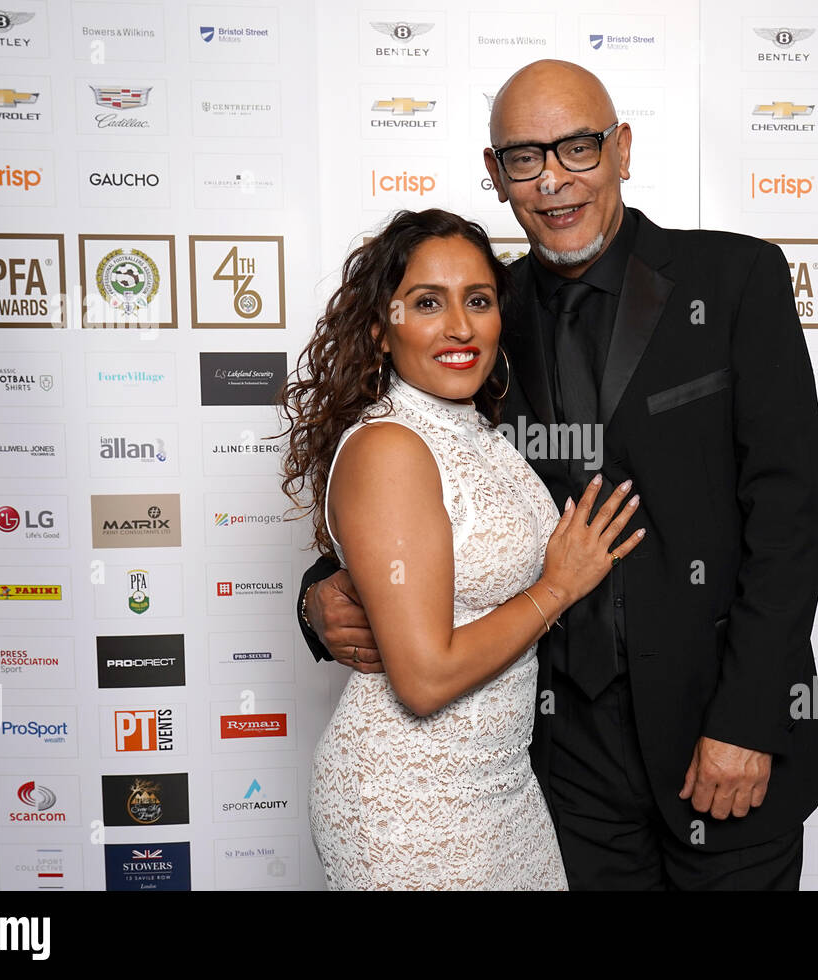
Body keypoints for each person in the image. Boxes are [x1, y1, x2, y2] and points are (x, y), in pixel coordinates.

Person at [297, 60, 818, 890]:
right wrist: (322, 590)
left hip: (718, 739)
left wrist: (750, 719)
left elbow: (790, 521)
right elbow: (411, 466)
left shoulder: (735, 281)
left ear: (621, 148)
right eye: (523, 157)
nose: (552, 179)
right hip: (561, 764)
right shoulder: (481, 309)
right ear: (495, 174)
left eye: (577, 148)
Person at [280, 208, 644, 889]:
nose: (459, 327)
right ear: (379, 332)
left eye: (478, 301)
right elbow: (423, 680)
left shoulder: (477, 427)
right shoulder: (391, 445)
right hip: (409, 803)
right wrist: (558, 587)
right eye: (426, 303)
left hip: (504, 789)